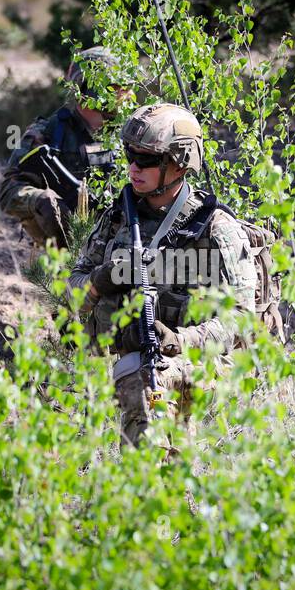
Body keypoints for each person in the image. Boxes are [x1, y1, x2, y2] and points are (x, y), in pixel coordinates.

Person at [69, 102, 258, 446]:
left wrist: (181, 340)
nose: (132, 167)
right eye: (130, 154)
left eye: (146, 159)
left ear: (178, 163)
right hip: (129, 358)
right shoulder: (117, 219)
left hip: (204, 362)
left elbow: (243, 320)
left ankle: (148, 482)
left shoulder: (215, 229)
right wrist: (98, 283)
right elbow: (73, 297)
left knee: (146, 389)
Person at [0, 46, 130, 246]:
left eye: (127, 85)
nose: (127, 93)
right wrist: (41, 200)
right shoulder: (47, 133)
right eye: (117, 85)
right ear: (88, 87)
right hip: (66, 249)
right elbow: (9, 194)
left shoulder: (131, 134)